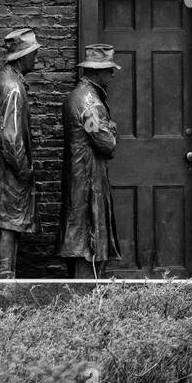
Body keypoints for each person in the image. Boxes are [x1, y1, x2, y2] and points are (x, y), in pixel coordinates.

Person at [0, 27, 40, 278]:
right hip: (9, 171)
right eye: (33, 54)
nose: (36, 58)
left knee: (7, 223)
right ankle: (4, 279)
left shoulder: (2, 81)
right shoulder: (13, 88)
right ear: (21, 57)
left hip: (0, 167)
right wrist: (24, 170)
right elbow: (11, 138)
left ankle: (4, 278)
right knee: (8, 224)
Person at [57, 43, 122, 278]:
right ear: (95, 71)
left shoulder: (81, 96)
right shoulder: (88, 103)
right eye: (108, 69)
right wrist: (112, 130)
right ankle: (86, 298)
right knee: (87, 240)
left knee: (83, 237)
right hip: (87, 181)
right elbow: (107, 143)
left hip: (83, 177)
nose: (112, 74)